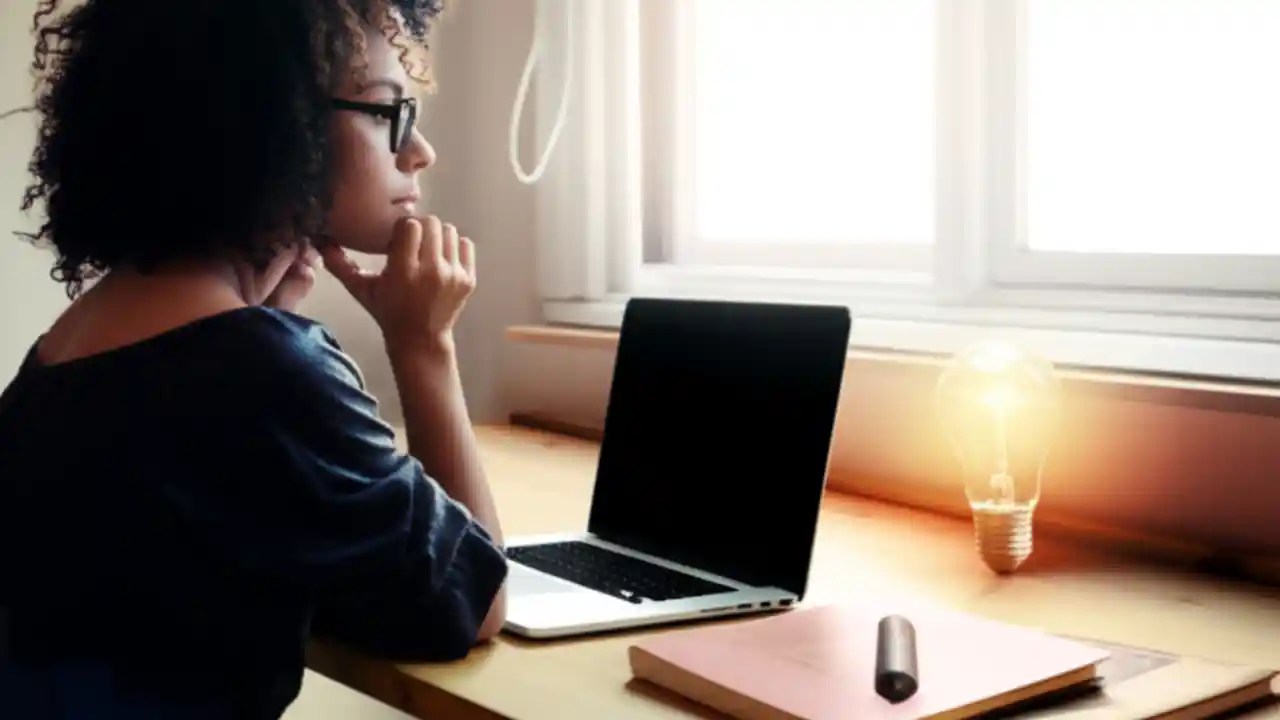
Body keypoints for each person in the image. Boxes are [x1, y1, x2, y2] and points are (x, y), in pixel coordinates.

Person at [0, 1, 508, 717]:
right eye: (386, 111)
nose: (419, 149)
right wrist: (424, 344)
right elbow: (471, 603)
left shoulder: (73, 339)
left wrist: (271, 326)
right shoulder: (261, 371)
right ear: (273, 119)